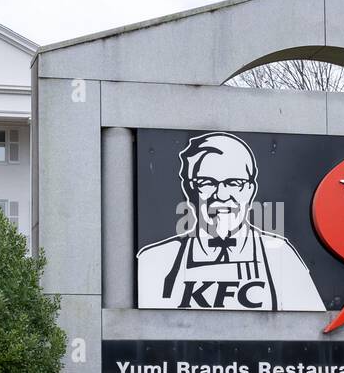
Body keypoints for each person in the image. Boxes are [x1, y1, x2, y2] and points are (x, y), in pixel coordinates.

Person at [137, 132, 324, 311]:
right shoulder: (156, 261)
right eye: (207, 182)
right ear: (189, 189)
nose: (222, 195)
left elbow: (312, 333)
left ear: (250, 190)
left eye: (234, 183)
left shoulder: (280, 257)